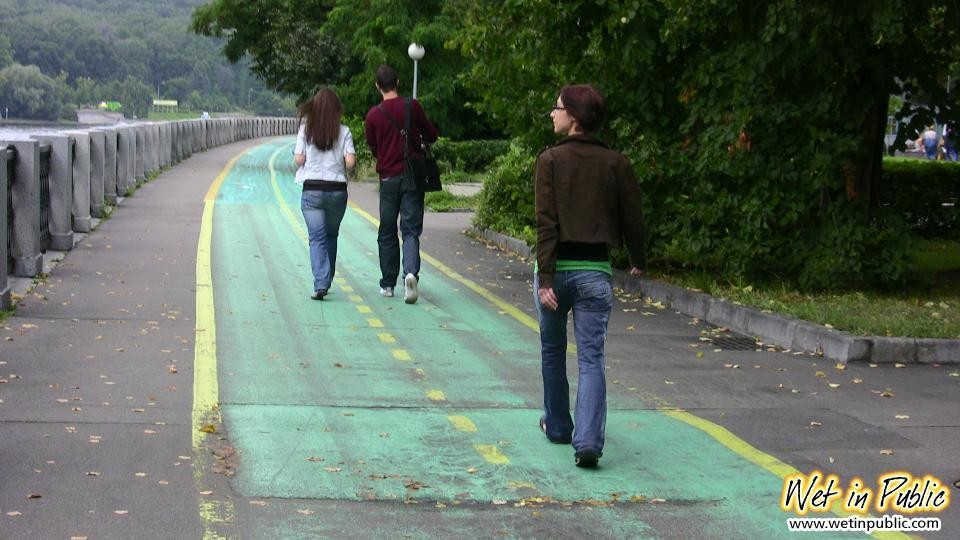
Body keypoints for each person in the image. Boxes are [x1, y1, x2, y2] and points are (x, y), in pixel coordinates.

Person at [534, 84, 646, 468]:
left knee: (552, 350)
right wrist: (637, 257)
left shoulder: (549, 160)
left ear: (575, 117)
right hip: (596, 273)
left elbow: (546, 223)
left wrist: (546, 279)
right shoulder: (617, 163)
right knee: (591, 357)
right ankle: (587, 443)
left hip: (556, 271)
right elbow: (633, 216)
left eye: (558, 107)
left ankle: (559, 426)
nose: (553, 113)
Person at [364, 65, 438, 304]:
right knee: (410, 229)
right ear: (398, 82)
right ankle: (410, 274)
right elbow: (431, 134)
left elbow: (373, 146)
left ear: (377, 85)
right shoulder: (412, 106)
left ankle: (387, 284)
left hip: (387, 178)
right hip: (412, 176)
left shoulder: (373, 115)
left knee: (387, 231)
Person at [293, 87, 356, 300]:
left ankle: (321, 283)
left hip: (312, 190)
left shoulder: (305, 130)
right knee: (331, 235)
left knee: (316, 237)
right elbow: (350, 162)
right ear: (337, 110)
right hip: (337, 191)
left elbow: (299, 159)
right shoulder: (344, 131)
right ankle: (327, 280)